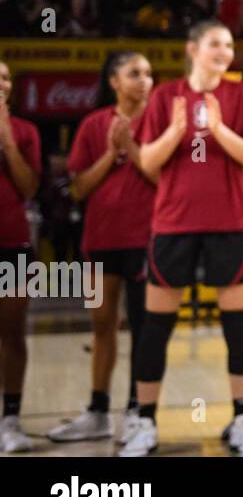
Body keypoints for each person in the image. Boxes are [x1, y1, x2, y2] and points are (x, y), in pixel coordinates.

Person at [126, 20, 243, 457]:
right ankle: (144, 423)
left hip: (230, 223)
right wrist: (175, 130)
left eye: (229, 45)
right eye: (215, 44)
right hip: (172, 225)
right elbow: (147, 162)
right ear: (193, 48)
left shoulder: (241, 95)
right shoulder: (165, 96)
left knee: (238, 326)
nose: (224, 51)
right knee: (155, 329)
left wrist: (220, 130)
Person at [49, 52, 156, 446]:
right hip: (99, 241)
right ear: (113, 81)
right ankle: (98, 411)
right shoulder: (93, 125)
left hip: (147, 239)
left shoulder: (160, 121)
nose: (144, 80)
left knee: (145, 330)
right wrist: (113, 153)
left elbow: (166, 178)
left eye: (147, 73)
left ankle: (136, 410)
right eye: (134, 74)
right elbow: (78, 189)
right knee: (103, 326)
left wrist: (134, 146)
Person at [0, 59, 41, 453]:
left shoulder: (26, 132)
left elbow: (29, 187)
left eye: (6, 77)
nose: (1, 83)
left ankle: (11, 419)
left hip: (11, 245)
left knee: (12, 332)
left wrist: (8, 141)